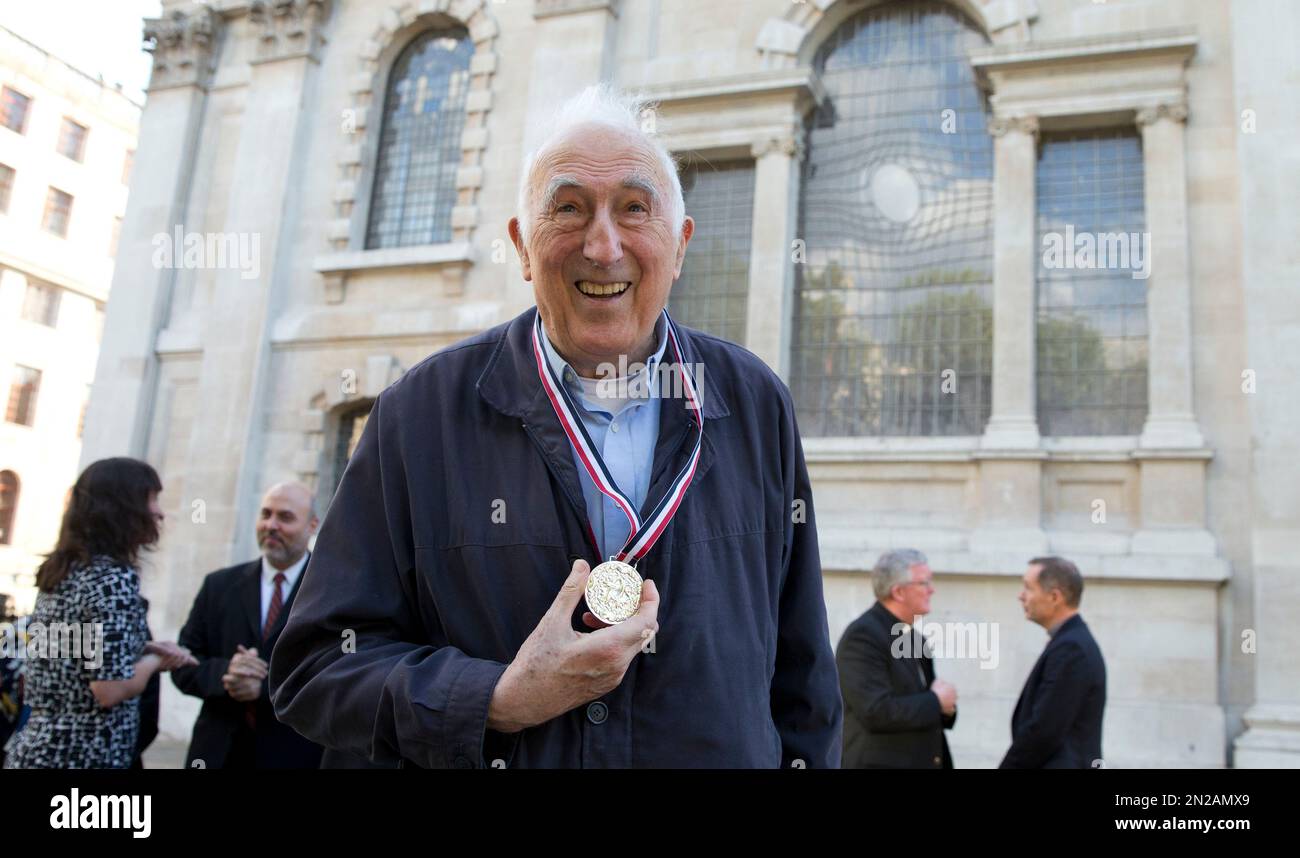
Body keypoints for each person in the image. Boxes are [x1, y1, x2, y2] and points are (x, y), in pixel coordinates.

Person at [270, 85, 843, 768]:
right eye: (568, 209)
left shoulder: (753, 404)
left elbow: (804, 681)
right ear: (521, 245)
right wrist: (495, 698)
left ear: (680, 244)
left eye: (635, 209)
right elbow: (315, 667)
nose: (603, 247)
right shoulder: (419, 414)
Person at [3, 458, 195, 769]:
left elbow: (71, 653)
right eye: (151, 499)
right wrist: (154, 662)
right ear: (124, 507)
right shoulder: (112, 579)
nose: (159, 512)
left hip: (38, 750)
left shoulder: (65, 571)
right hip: (81, 758)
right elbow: (109, 689)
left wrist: (141, 648)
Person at [171, 482, 324, 768]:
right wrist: (227, 674)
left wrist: (265, 687)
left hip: (295, 755)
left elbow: (337, 674)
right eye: (265, 514)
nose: (271, 525)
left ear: (312, 525)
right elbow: (183, 662)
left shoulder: (331, 592)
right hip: (217, 755)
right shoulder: (218, 586)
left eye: (285, 517)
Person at [837, 549, 957, 768]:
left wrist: (946, 708)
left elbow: (925, 704)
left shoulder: (915, 638)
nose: (932, 590)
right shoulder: (863, 636)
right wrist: (937, 701)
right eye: (924, 583)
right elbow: (875, 711)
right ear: (899, 592)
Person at [1000, 556, 1106, 769]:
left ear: (1055, 597)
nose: (1021, 596)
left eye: (1029, 588)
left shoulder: (1071, 649)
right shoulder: (1069, 642)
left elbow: (1043, 731)